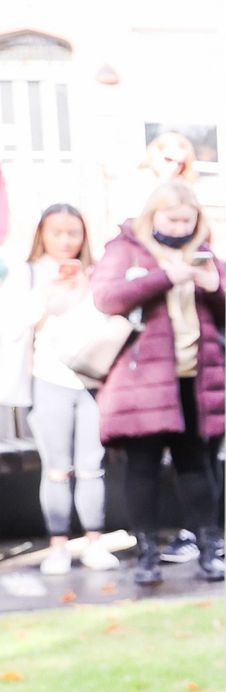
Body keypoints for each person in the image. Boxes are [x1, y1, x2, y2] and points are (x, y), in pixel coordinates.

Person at [90, 181, 226, 586]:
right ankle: (146, 555)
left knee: (197, 467)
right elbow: (106, 298)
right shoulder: (126, 248)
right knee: (143, 469)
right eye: (173, 218)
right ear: (153, 216)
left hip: (194, 380)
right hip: (143, 380)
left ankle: (208, 550)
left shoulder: (205, 253)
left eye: (189, 219)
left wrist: (214, 288)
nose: (182, 226)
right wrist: (165, 276)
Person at [2, 205, 119, 576]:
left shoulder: (97, 272)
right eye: (57, 232)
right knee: (56, 469)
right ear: (42, 234)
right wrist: (47, 294)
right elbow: (12, 325)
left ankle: (94, 542)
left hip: (91, 382)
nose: (66, 241)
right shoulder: (27, 273)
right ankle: (57, 546)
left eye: (74, 233)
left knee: (91, 467)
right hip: (48, 380)